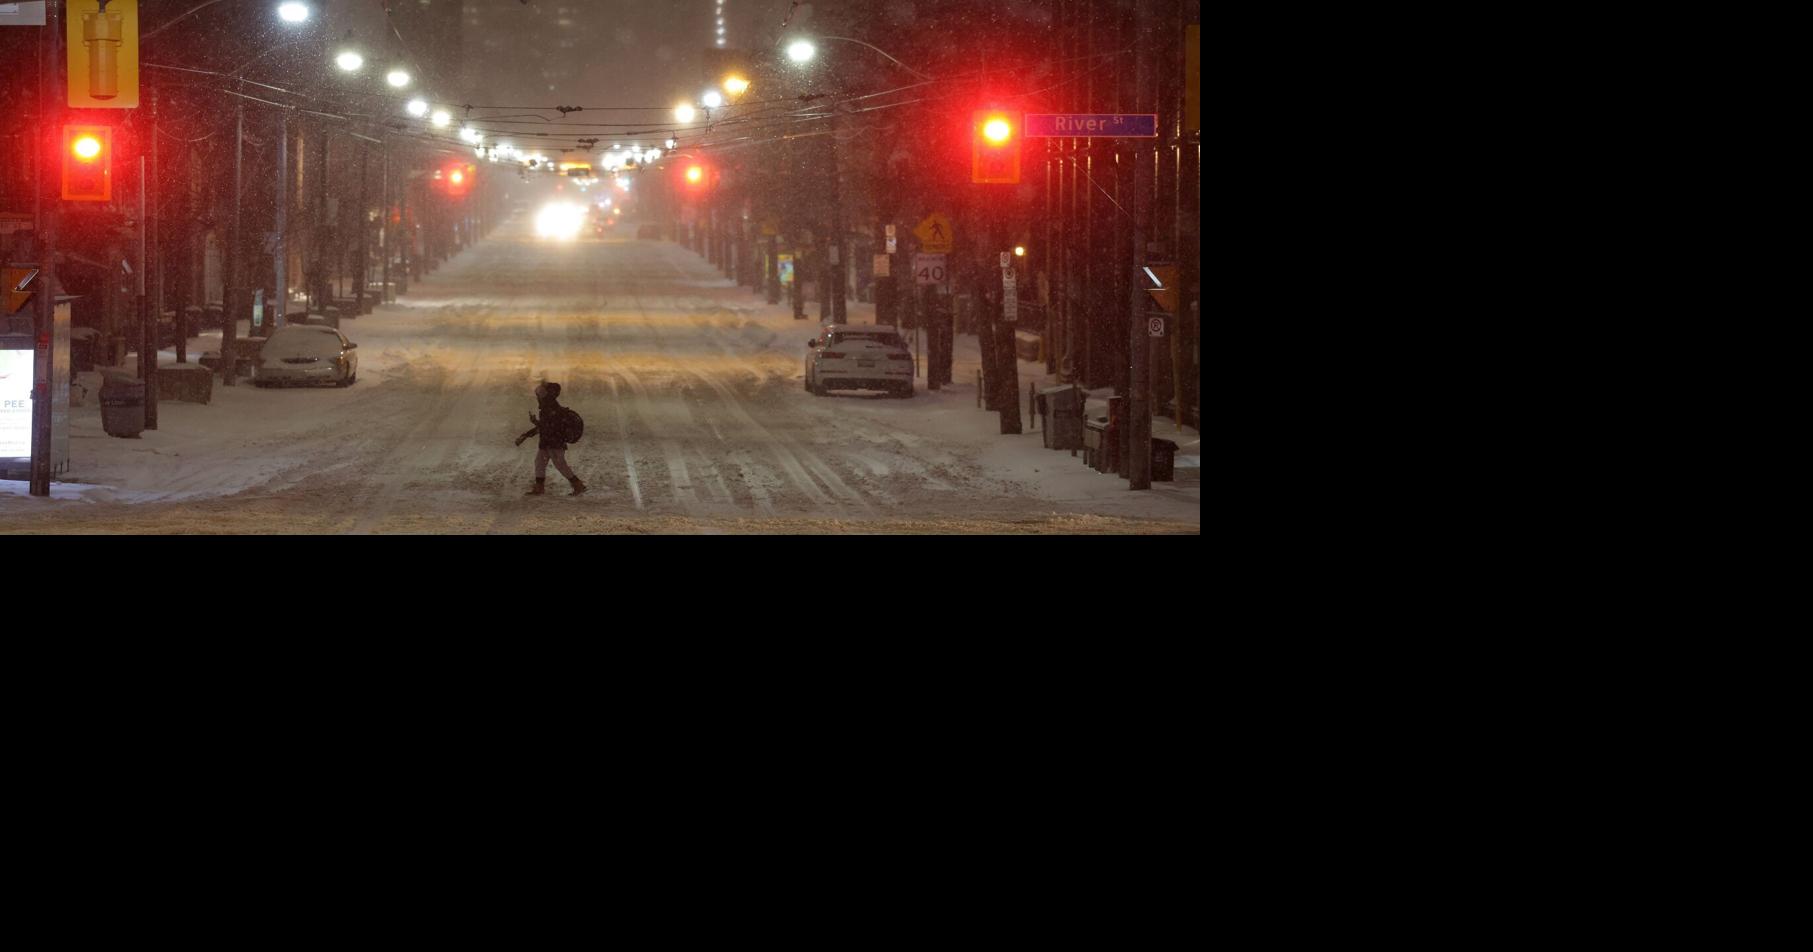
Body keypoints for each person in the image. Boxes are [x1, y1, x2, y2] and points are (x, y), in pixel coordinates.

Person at [514, 382, 587, 496]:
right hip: (548, 442)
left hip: (554, 442)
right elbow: (545, 426)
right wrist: (535, 425)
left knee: (560, 465)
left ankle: (578, 485)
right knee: (540, 463)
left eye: (541, 393)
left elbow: (545, 427)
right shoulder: (548, 408)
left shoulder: (550, 409)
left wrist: (525, 435)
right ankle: (540, 488)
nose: (538, 396)